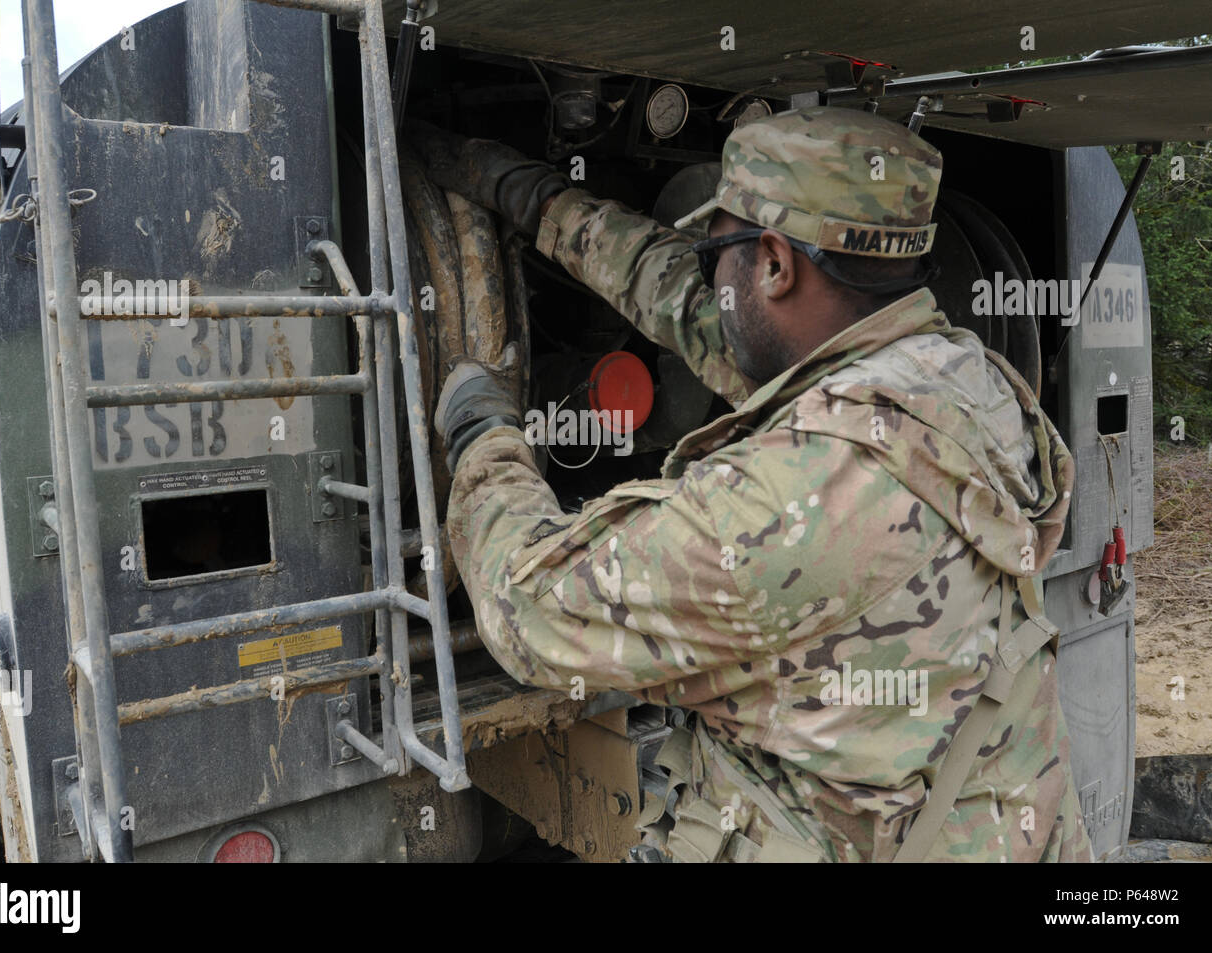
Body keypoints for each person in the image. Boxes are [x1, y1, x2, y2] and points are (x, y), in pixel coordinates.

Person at [414, 106, 1092, 862]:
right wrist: (536, 201)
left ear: (773, 263)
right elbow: (697, 311)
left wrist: (484, 433)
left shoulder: (784, 505)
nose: (710, 276)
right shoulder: (965, 383)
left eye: (718, 252)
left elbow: (525, 610)